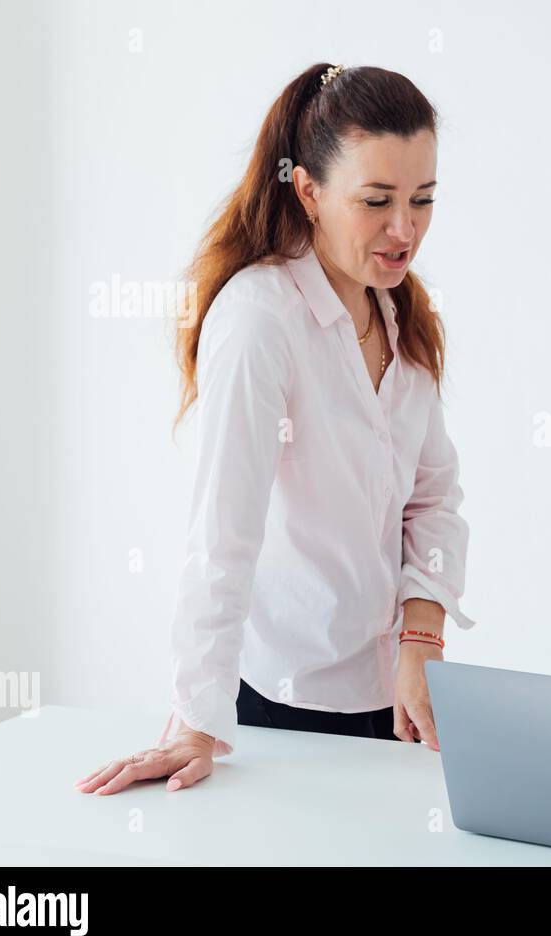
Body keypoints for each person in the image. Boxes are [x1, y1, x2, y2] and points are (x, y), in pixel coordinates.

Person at [76, 63, 473, 797]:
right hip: (284, 706)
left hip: (396, 695)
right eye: (377, 201)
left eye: (423, 199)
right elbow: (222, 535)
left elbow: (434, 498)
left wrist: (424, 634)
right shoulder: (262, 320)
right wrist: (196, 721)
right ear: (310, 192)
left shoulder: (402, 314)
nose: (405, 229)